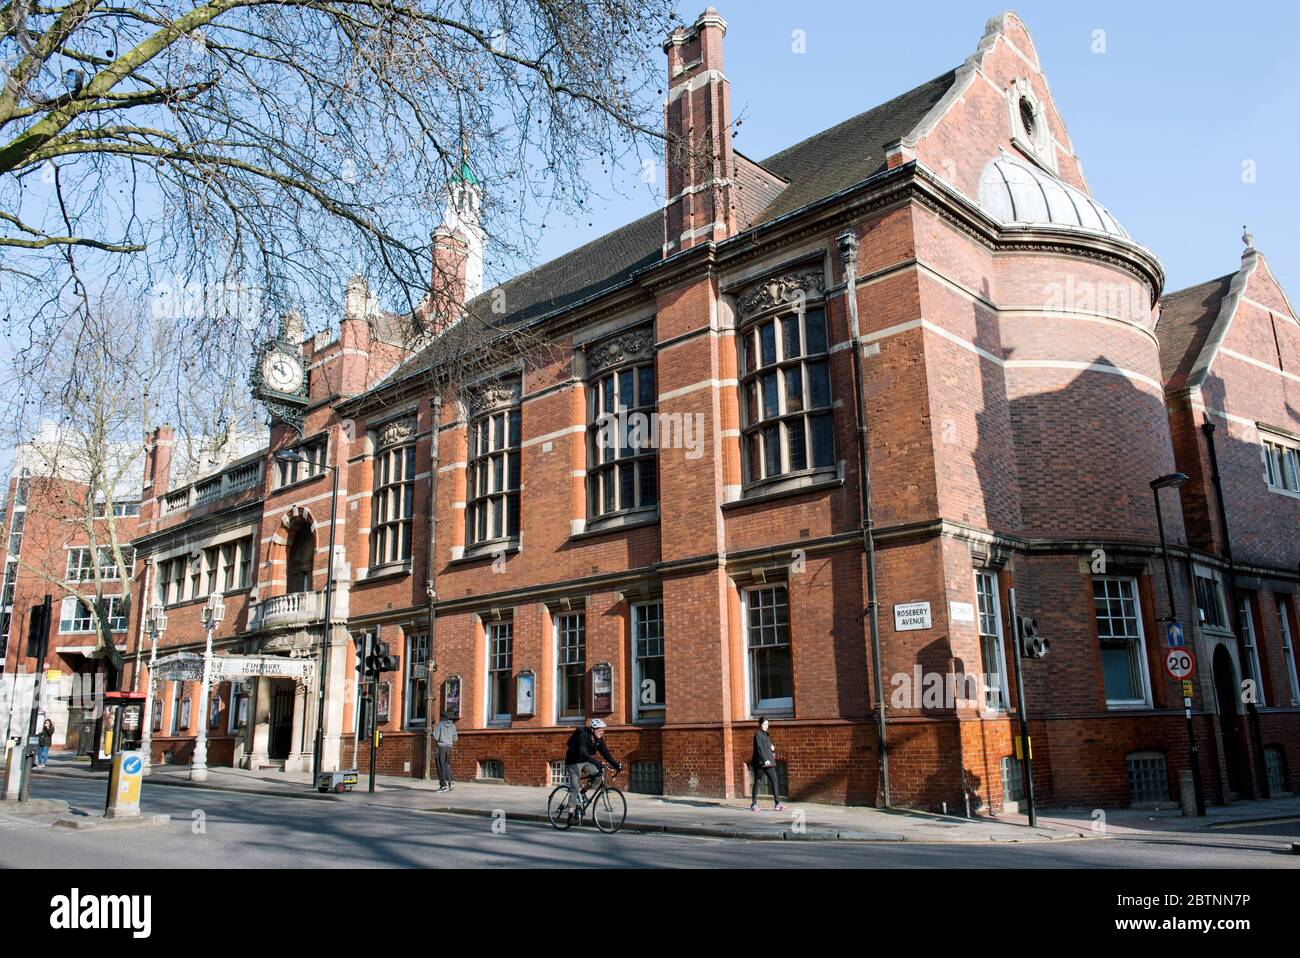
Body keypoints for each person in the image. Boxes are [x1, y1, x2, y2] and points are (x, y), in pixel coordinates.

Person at [564, 718, 622, 820]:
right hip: (573, 761)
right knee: (575, 786)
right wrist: (596, 762)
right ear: (592, 729)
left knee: (598, 776)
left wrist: (616, 764)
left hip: (585, 761)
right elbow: (583, 752)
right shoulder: (582, 735)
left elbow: (605, 753)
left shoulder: (598, 739)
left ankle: (582, 793)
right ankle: (570, 815)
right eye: (599, 730)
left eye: (603, 730)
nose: (601, 732)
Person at [750, 716, 785, 812]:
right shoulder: (758, 734)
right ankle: (754, 804)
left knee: (774, 780)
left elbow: (766, 746)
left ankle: (777, 803)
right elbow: (759, 748)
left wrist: (772, 748)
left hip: (769, 762)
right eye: (764, 724)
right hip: (760, 763)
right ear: (760, 724)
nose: (766, 726)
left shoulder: (766, 734)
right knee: (757, 782)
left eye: (767, 724)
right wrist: (765, 759)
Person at [432, 712, 457, 792]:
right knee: (447, 765)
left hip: (441, 747)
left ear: (442, 717)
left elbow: (436, 737)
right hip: (449, 747)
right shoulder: (453, 726)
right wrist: (449, 740)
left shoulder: (439, 725)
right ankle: (451, 781)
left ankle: (443, 786)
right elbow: (455, 738)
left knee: (441, 766)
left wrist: (434, 732)